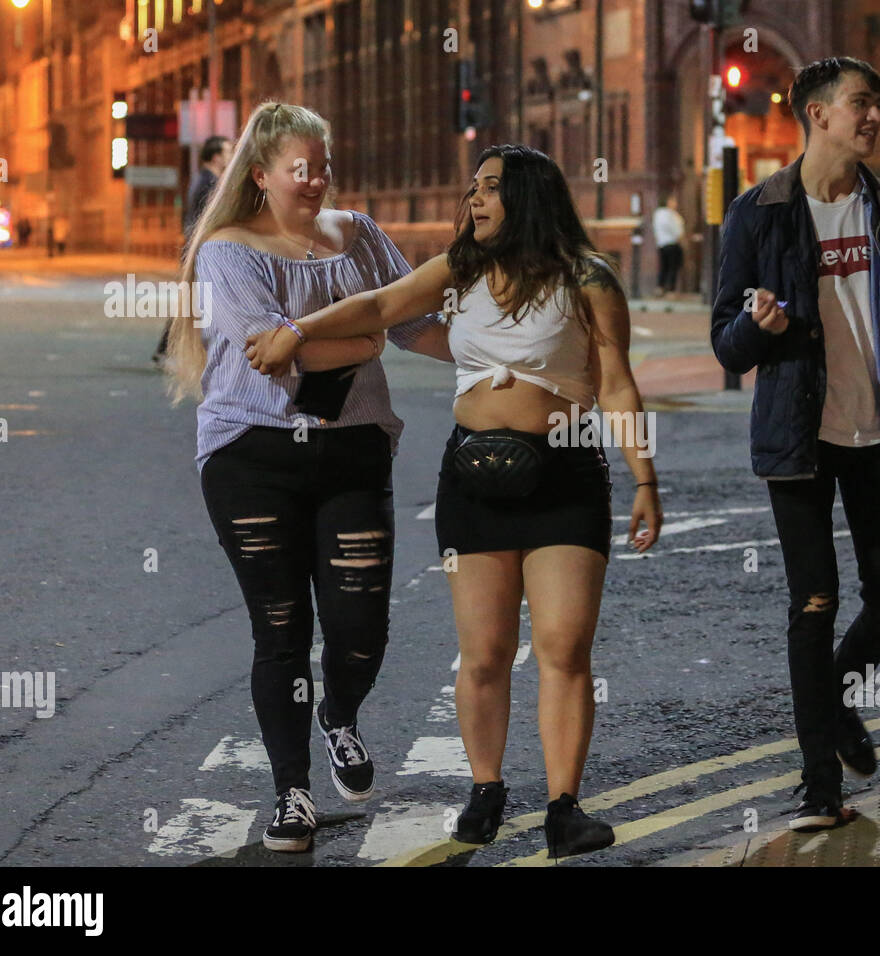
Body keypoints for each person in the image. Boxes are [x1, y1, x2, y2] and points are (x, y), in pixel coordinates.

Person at [246, 143, 664, 859]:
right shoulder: (461, 270)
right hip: (472, 478)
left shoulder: (586, 275)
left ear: (528, 197)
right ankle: (486, 789)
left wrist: (645, 477)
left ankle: (564, 807)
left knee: (564, 648)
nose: (473, 200)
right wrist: (298, 331)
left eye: (490, 189)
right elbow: (380, 306)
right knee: (485, 653)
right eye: (471, 188)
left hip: (565, 472)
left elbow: (618, 381)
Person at [164, 102, 451, 852]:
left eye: (324, 164)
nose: (318, 179)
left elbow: (414, 320)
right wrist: (367, 329)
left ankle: (340, 716)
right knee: (281, 630)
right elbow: (272, 353)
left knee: (361, 626)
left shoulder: (356, 235)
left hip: (352, 448)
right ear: (260, 175)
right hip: (250, 456)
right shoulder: (228, 250)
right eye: (302, 168)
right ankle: (291, 794)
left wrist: (503, 354)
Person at [711, 57, 880, 833]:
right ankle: (819, 787)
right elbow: (727, 345)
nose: (874, 117)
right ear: (817, 115)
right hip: (799, 433)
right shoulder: (760, 213)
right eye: (860, 104)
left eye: (878, 105)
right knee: (814, 604)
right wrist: (758, 326)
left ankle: (838, 701)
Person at [156, 135, 236, 364]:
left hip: (199, 249)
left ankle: (168, 349)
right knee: (194, 301)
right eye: (228, 152)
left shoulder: (203, 179)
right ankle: (168, 349)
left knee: (193, 301)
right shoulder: (209, 182)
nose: (231, 157)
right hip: (202, 250)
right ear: (216, 156)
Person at [652, 193, 685, 295]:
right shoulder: (670, 214)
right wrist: (679, 237)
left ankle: (660, 287)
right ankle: (671, 289)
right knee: (672, 267)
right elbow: (675, 229)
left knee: (664, 266)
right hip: (672, 243)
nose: (675, 203)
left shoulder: (657, 214)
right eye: (673, 201)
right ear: (668, 202)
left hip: (661, 244)